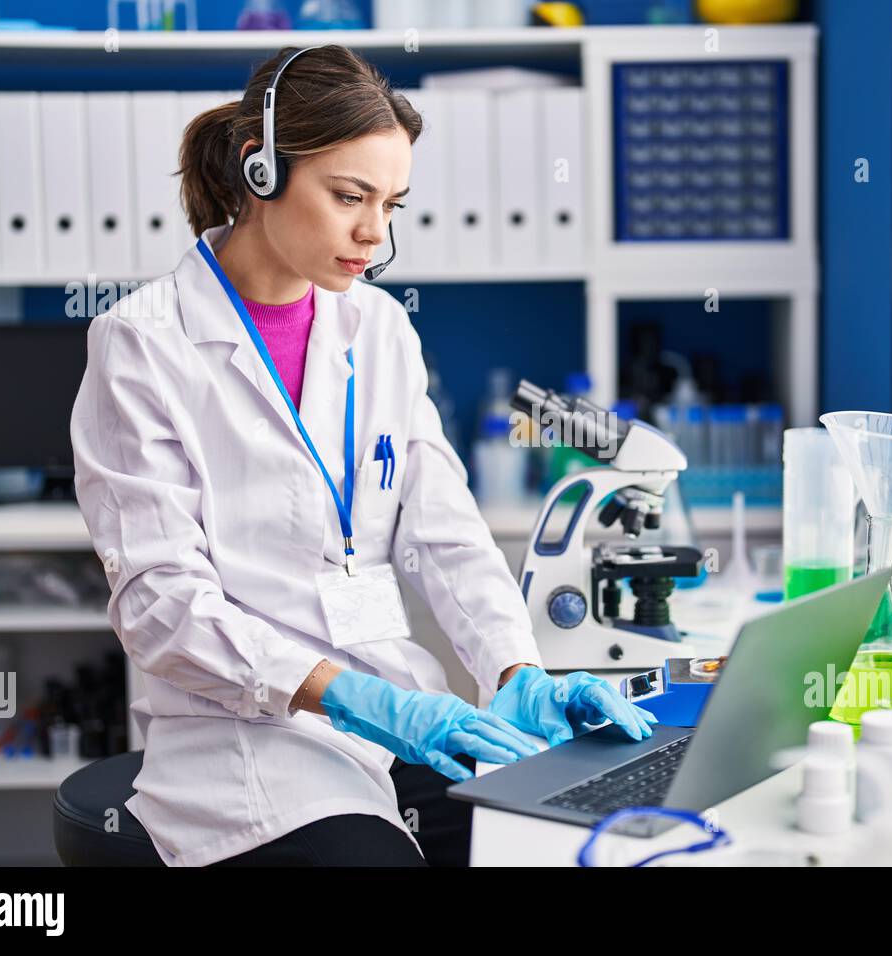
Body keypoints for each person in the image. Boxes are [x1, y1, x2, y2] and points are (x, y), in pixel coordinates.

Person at [70, 44, 654, 867]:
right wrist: (348, 698)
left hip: (403, 715)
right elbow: (161, 606)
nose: (374, 236)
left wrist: (518, 671)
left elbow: (444, 532)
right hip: (251, 738)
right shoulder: (142, 344)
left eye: (392, 204)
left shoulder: (378, 328)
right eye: (349, 196)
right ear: (261, 171)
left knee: (569, 839)